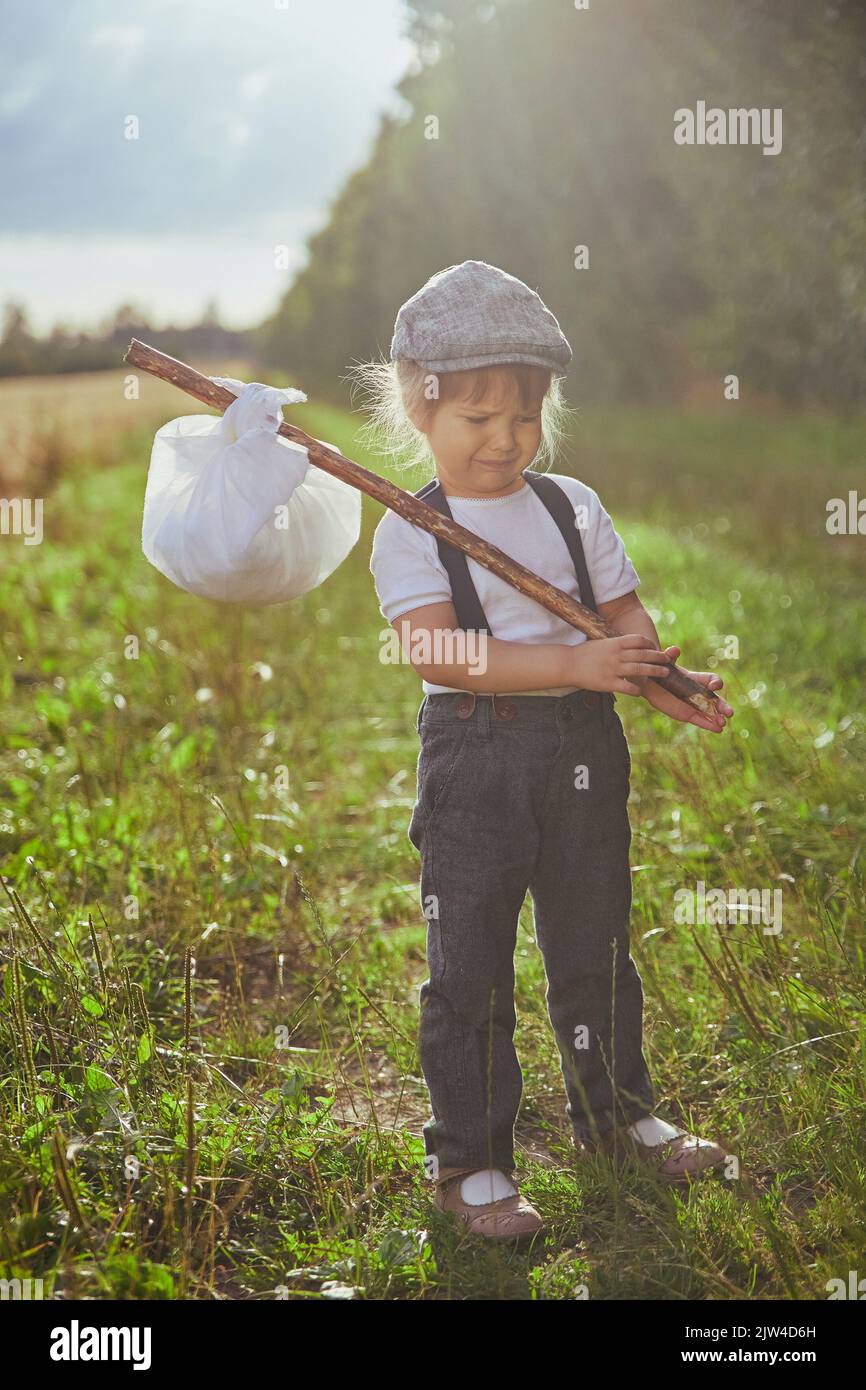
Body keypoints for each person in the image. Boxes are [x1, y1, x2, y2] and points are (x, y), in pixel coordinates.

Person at [360, 260, 737, 1242]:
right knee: (470, 962)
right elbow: (440, 653)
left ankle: (616, 1119)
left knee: (594, 943)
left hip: (583, 749)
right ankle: (471, 1160)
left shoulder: (570, 505)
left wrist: (654, 677)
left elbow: (622, 616)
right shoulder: (412, 529)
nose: (504, 439)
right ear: (419, 407)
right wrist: (573, 662)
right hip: (474, 757)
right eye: (476, 417)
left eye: (524, 416)